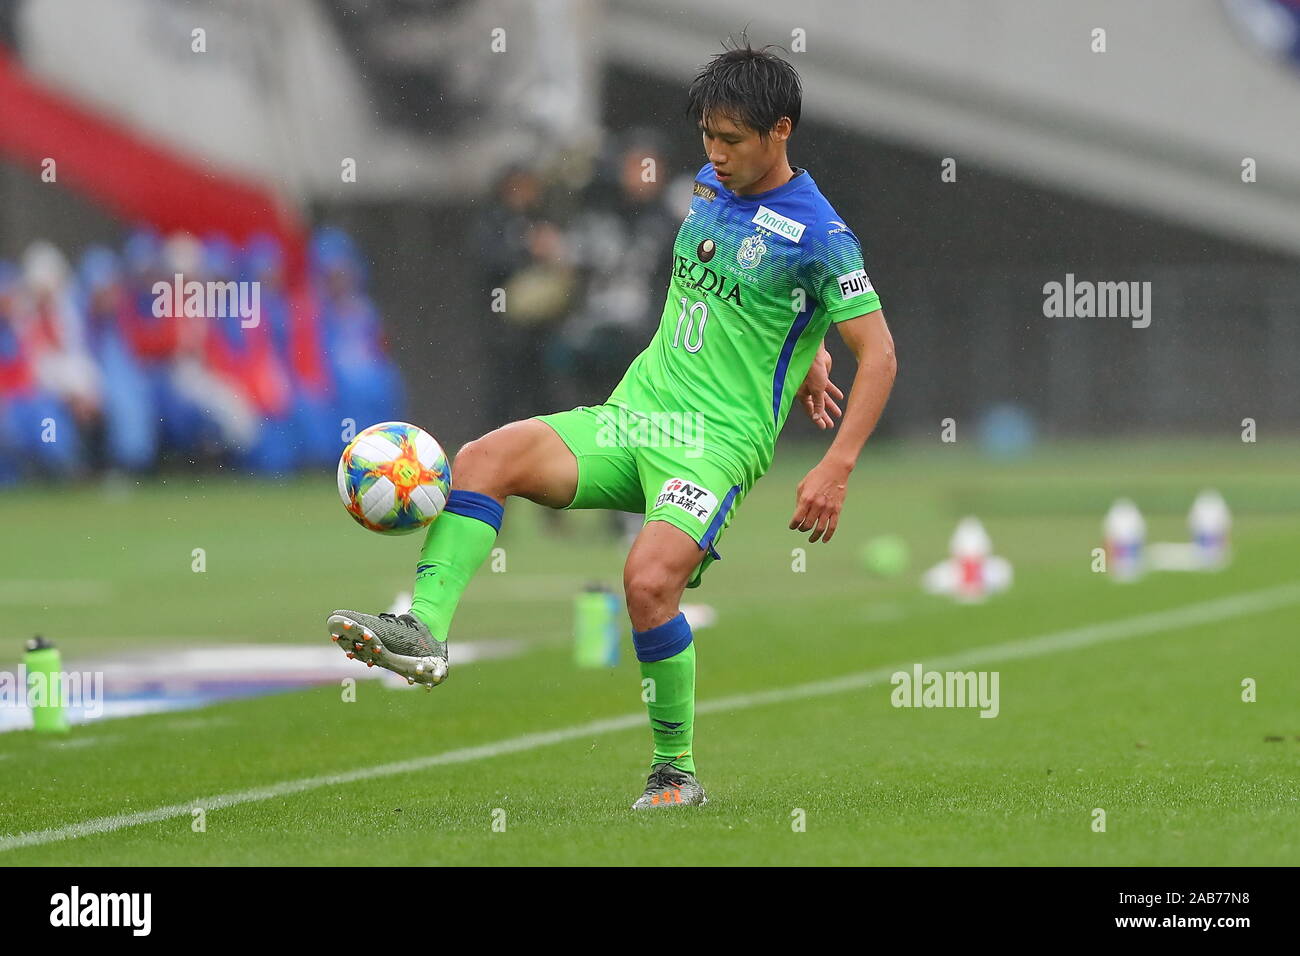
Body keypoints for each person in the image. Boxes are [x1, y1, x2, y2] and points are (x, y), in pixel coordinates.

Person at [326, 40, 897, 810]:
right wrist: (810, 349)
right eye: (709, 137)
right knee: (485, 457)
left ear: (781, 130)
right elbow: (756, 298)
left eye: (733, 140)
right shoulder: (705, 186)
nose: (716, 154)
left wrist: (837, 463)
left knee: (647, 583)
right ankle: (424, 629)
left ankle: (675, 771)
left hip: (714, 447)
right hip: (633, 416)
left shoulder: (824, 237)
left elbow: (883, 354)